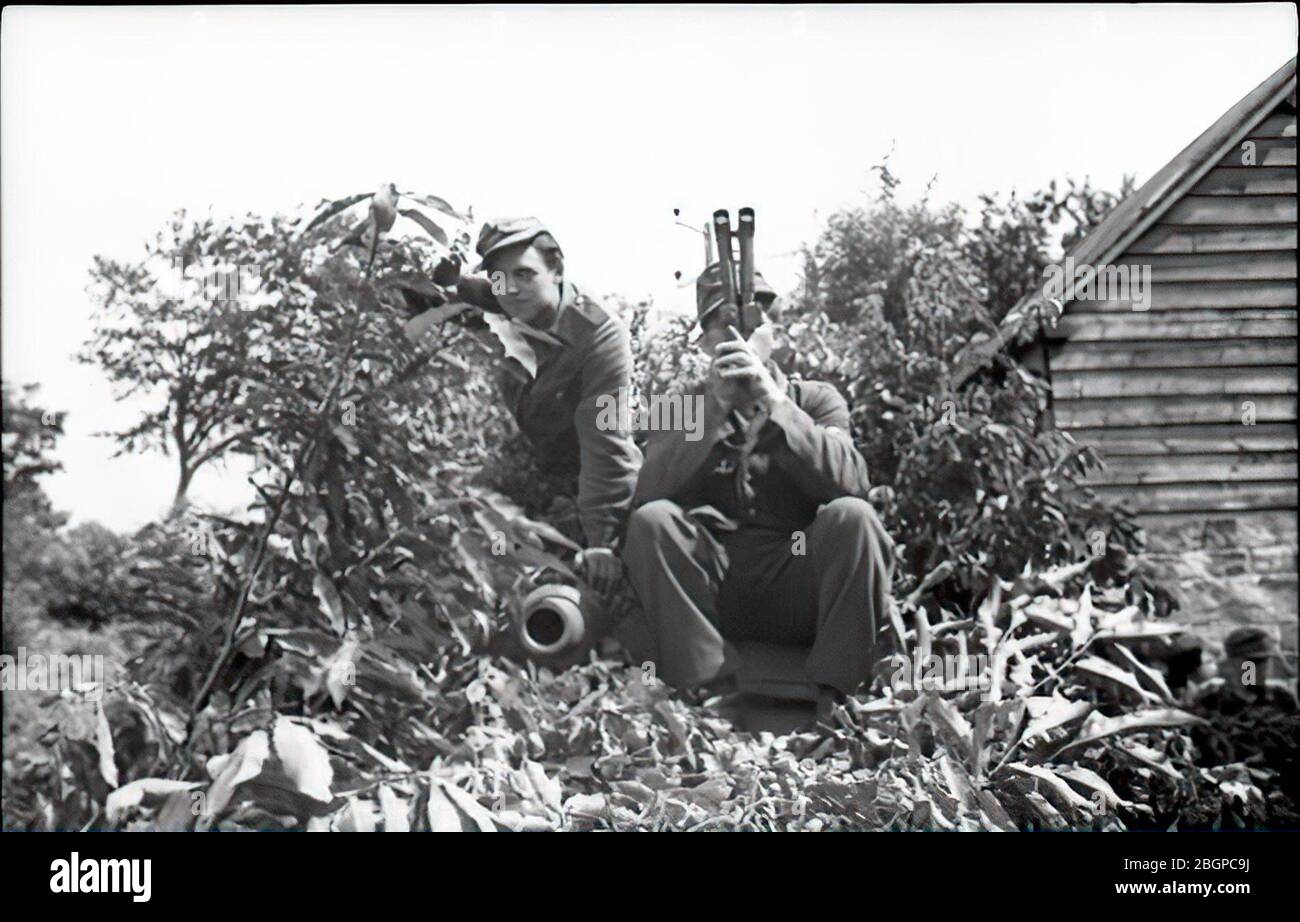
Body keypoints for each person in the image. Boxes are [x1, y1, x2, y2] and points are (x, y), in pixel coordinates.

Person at [620, 262, 894, 716]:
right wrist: (714, 409)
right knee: (654, 522)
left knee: (855, 517)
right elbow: (647, 494)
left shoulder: (816, 400)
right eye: (723, 330)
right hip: (713, 589)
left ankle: (835, 691)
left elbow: (854, 483)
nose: (739, 341)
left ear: (774, 335)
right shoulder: (679, 406)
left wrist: (776, 404)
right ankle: (706, 688)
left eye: (753, 328)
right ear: (705, 343)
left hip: (796, 574)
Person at [421, 217, 641, 594]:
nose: (513, 289)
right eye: (501, 279)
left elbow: (605, 442)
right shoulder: (505, 297)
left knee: (566, 584)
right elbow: (441, 289)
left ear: (556, 271)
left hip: (593, 477)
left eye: (525, 274)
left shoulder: (598, 335)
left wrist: (603, 541)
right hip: (536, 462)